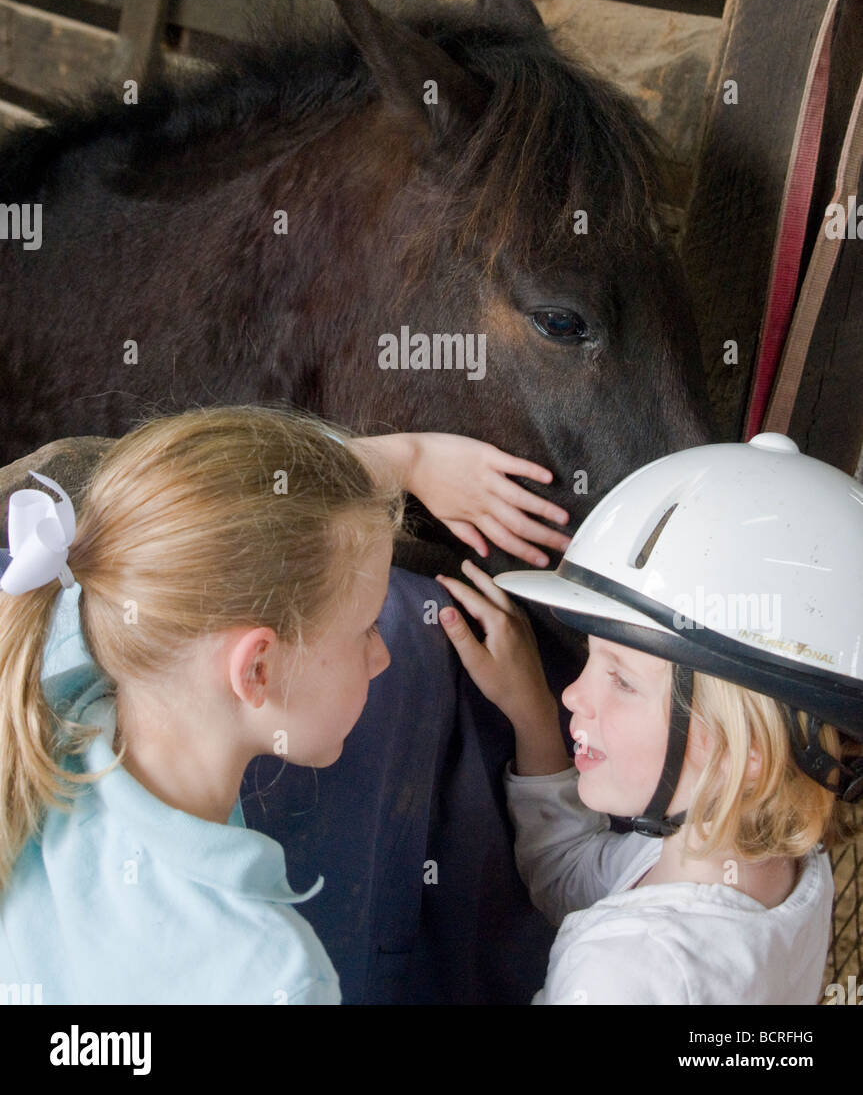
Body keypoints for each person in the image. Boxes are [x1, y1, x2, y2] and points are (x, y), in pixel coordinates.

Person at [0, 404, 570, 1005]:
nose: (382, 656)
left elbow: (193, 520)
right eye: (368, 629)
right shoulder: (275, 976)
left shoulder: (64, 633)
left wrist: (412, 460)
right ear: (256, 670)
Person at [435, 431, 863, 1005]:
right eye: (592, 661)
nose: (573, 696)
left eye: (622, 679)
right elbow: (570, 874)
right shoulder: (761, 857)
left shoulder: (629, 973)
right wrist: (531, 711)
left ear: (746, 752)